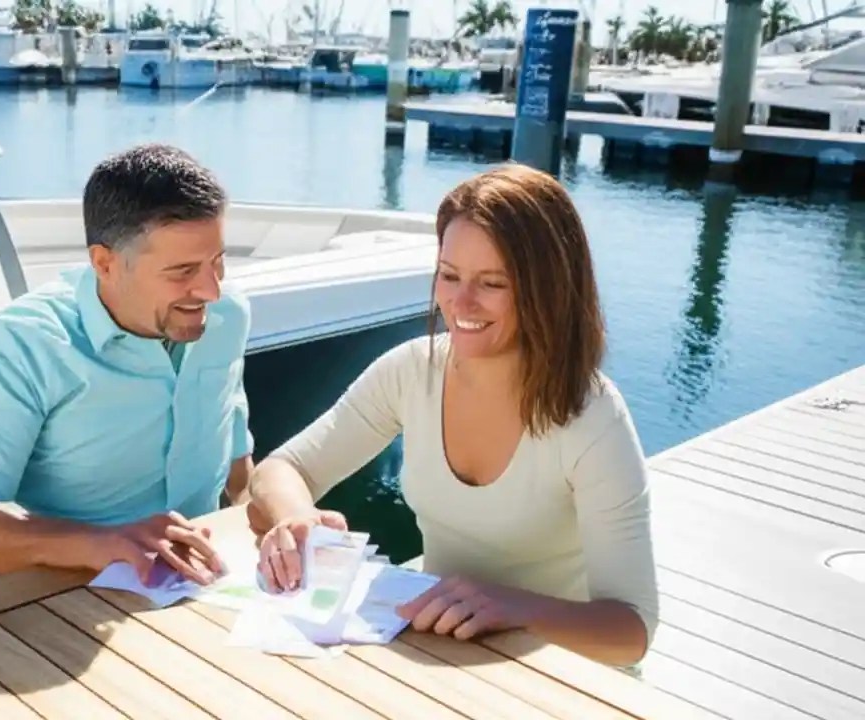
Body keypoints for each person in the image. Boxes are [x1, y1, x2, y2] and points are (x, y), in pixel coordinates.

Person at [245, 163, 658, 668]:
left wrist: (515, 606)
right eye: (449, 275)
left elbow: (632, 629)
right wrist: (296, 519)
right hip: (439, 650)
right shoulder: (412, 372)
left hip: (563, 674)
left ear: (547, 290)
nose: (460, 302)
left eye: (492, 283)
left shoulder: (593, 417)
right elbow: (282, 470)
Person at [0, 143, 253, 589]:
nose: (211, 290)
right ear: (104, 263)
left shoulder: (227, 317)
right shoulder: (24, 345)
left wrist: (277, 521)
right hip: (37, 612)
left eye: (217, 262)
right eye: (183, 271)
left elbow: (234, 456)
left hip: (193, 594)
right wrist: (96, 543)